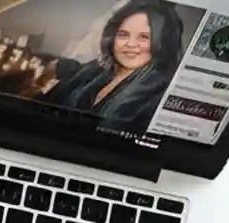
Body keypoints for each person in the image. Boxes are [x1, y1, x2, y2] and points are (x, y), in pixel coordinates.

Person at [43, 0, 186, 133]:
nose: (130, 44)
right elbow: (72, 75)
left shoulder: (157, 96)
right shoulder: (100, 69)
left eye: (144, 37)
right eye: (123, 34)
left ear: (161, 43)